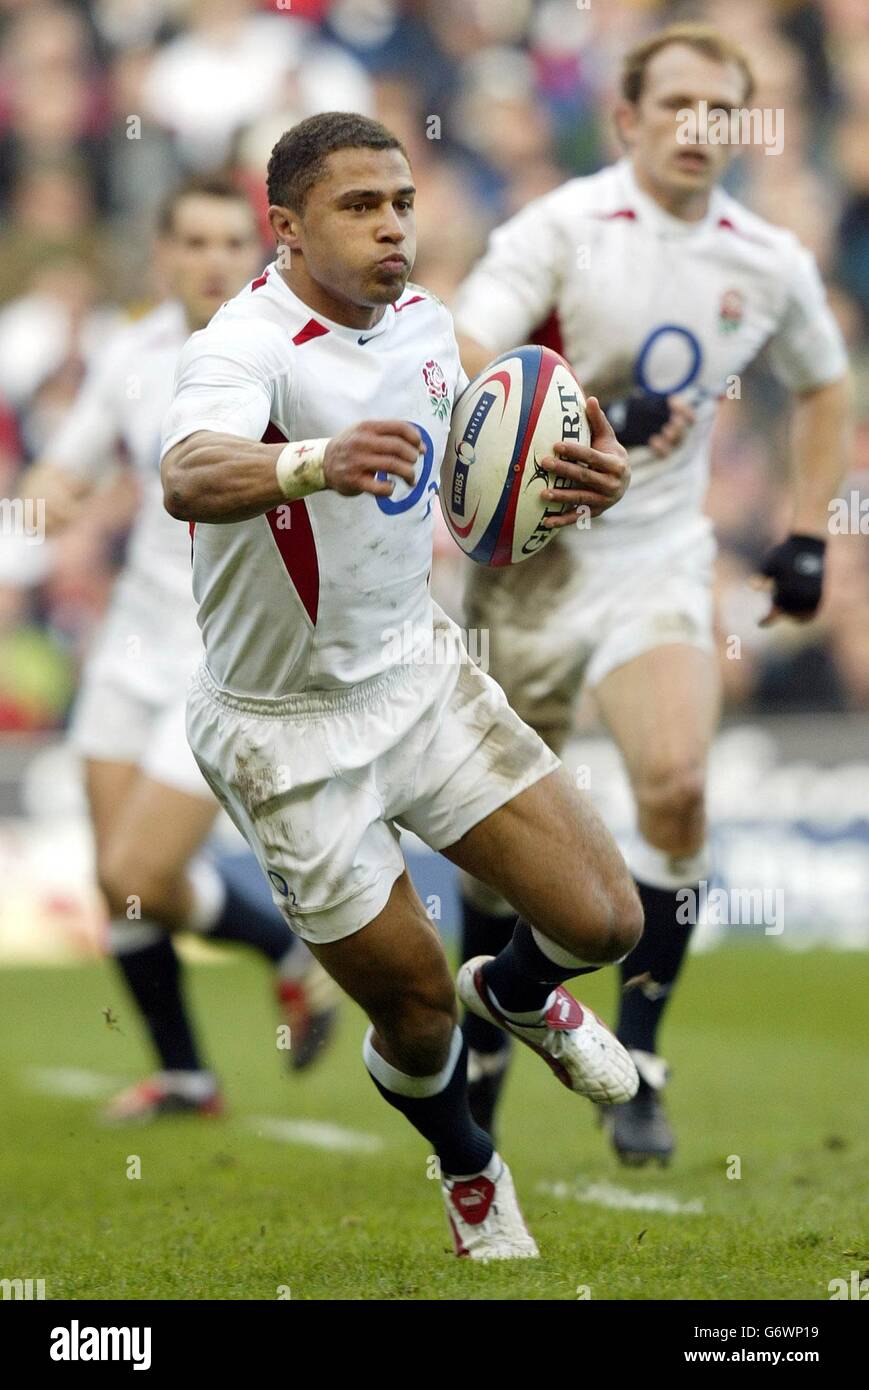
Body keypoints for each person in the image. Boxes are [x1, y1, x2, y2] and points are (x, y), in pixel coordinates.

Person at [160, 111, 643, 1260]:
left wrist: (588, 466)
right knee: (417, 1013)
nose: (391, 228)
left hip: (419, 677)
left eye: (401, 204)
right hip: (281, 732)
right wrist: (312, 459)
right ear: (282, 227)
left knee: (602, 918)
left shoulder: (427, 325)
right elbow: (187, 472)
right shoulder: (244, 345)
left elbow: (505, 438)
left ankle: (519, 992)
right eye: (357, 207)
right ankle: (469, 1165)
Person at [451, 22, 852, 1163]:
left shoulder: (763, 257)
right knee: (495, 837)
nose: (696, 127)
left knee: (673, 784)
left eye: (718, 109)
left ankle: (641, 1062)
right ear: (625, 119)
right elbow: (462, 353)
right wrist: (574, 408)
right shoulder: (561, 230)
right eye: (672, 104)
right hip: (528, 569)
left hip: (655, 560)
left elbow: (822, 387)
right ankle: (489, 1035)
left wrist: (803, 533)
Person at [19, 177, 339, 1123]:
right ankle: (188, 1078)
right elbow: (68, 466)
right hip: (129, 647)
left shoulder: (278, 349)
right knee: (113, 882)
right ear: (162, 254)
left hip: (223, 655)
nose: (208, 260)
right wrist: (46, 495)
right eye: (190, 241)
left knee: (138, 877)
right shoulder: (132, 350)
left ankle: (283, 947)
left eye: (224, 241)